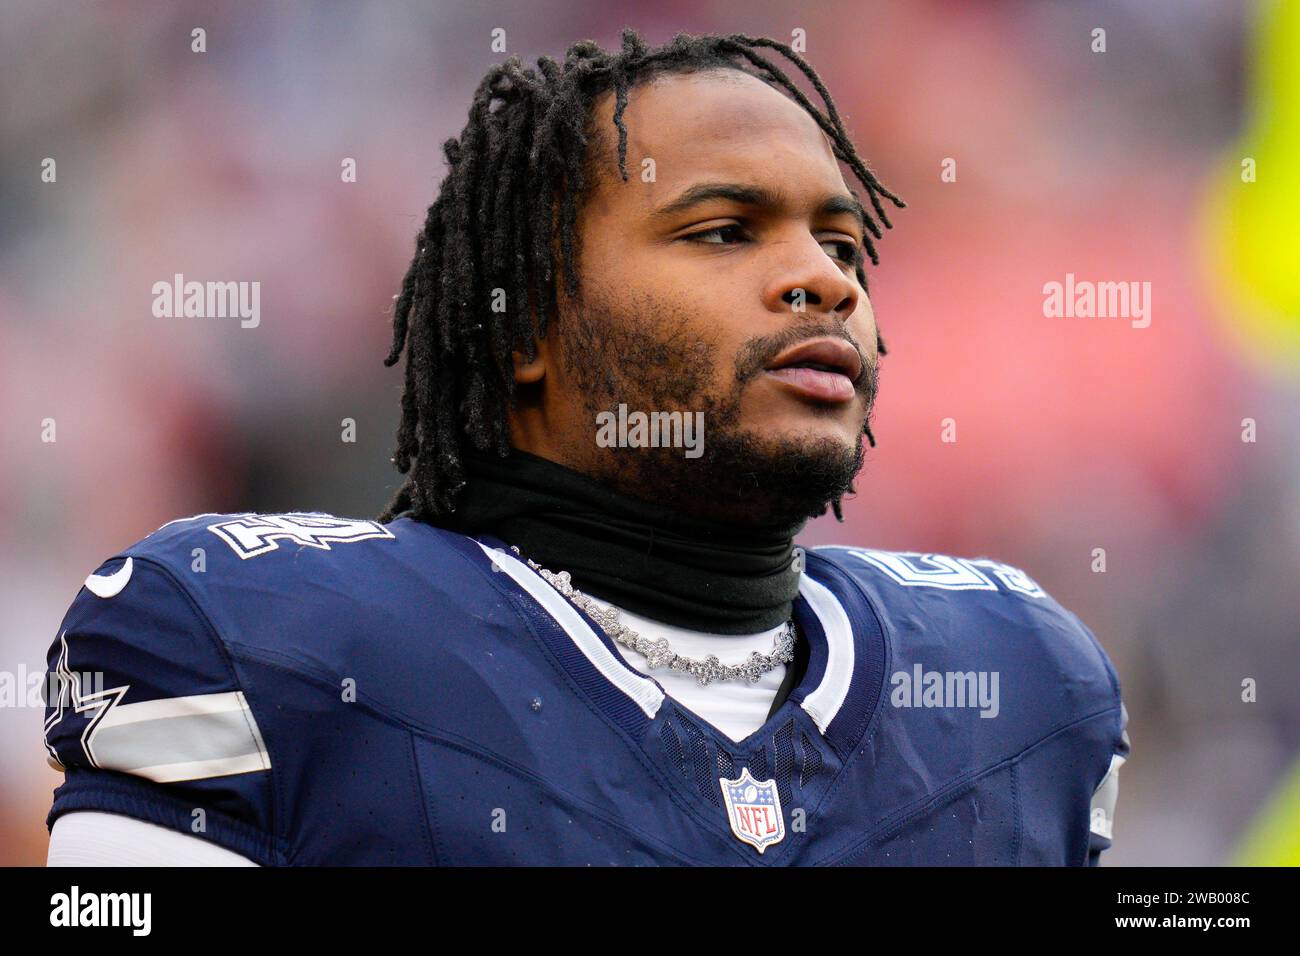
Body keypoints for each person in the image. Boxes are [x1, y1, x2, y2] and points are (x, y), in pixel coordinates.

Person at [44, 29, 1128, 866]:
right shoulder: (251, 642)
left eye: (842, 243)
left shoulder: (1023, 681)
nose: (826, 280)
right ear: (525, 326)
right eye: (722, 229)